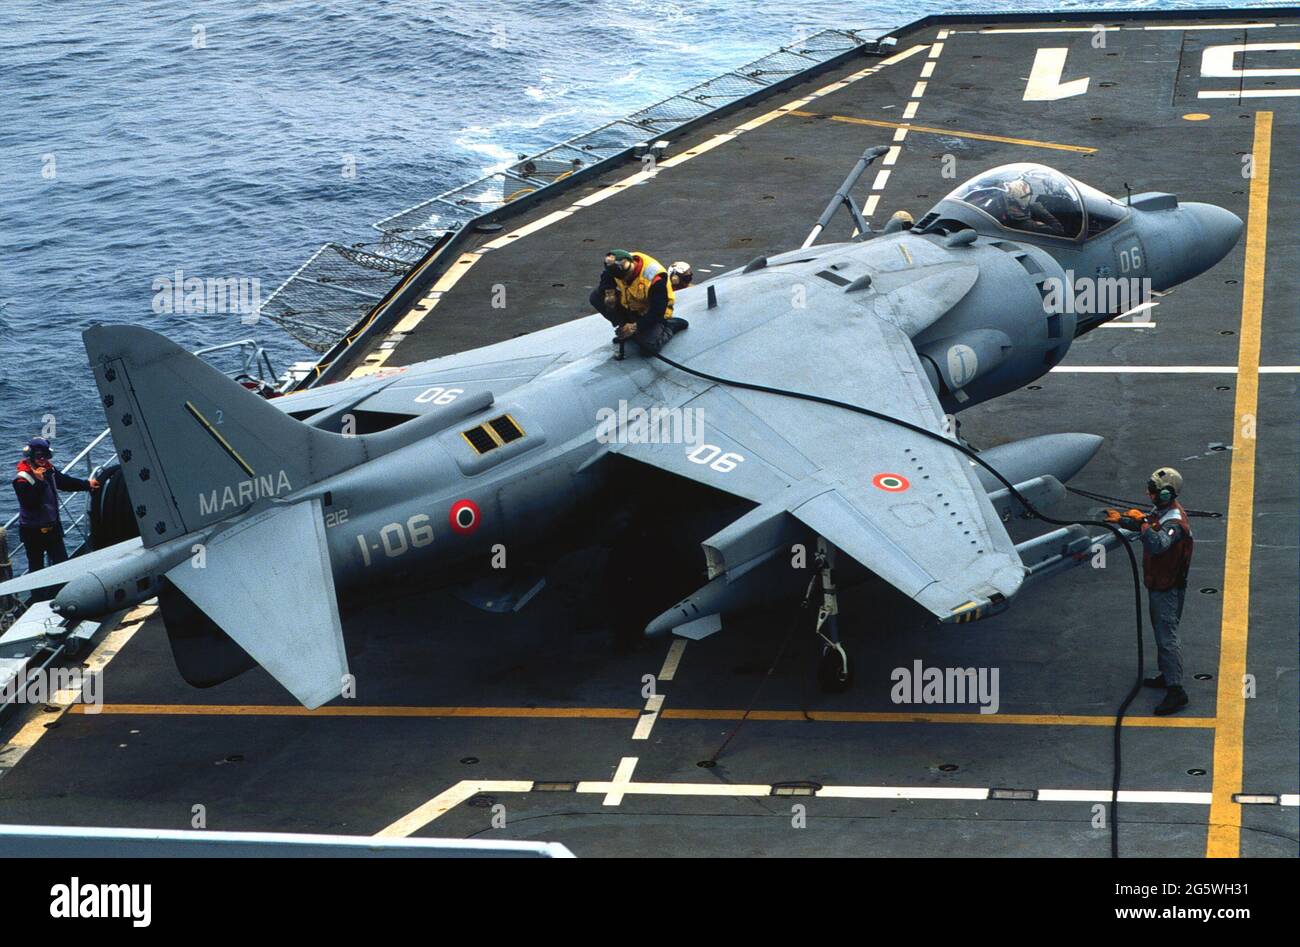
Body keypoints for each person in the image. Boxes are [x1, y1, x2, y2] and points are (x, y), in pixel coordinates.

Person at [1108, 467, 1194, 715]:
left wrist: (1143, 524)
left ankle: (1176, 690)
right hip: (1160, 582)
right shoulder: (1163, 511)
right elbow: (1150, 525)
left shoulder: (1175, 523)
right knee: (1161, 631)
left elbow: (1158, 544)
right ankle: (1167, 675)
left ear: (1166, 494)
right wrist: (1124, 520)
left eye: (1153, 490)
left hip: (1168, 587)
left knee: (1167, 638)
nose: (1148, 493)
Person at [12, 436, 99, 574]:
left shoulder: (49, 470)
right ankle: (39, 596)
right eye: (39, 455)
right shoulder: (22, 479)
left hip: (53, 529)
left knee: (62, 566)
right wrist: (39, 482)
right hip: (32, 532)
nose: (42, 459)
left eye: (45, 455)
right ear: (31, 455)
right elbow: (30, 503)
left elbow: (64, 482)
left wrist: (87, 484)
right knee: (36, 570)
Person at [589, 249, 688, 355]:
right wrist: (609, 294)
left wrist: (635, 327)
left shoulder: (655, 278)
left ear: (632, 265)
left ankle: (669, 327)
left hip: (653, 313)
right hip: (632, 306)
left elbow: (657, 311)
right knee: (596, 297)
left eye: (626, 276)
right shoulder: (619, 262)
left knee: (649, 348)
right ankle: (625, 327)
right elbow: (606, 275)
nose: (624, 280)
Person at [998, 178, 1066, 236]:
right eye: (1029, 194)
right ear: (1023, 197)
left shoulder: (1006, 209)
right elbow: (1059, 231)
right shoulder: (1025, 223)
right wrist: (1040, 210)